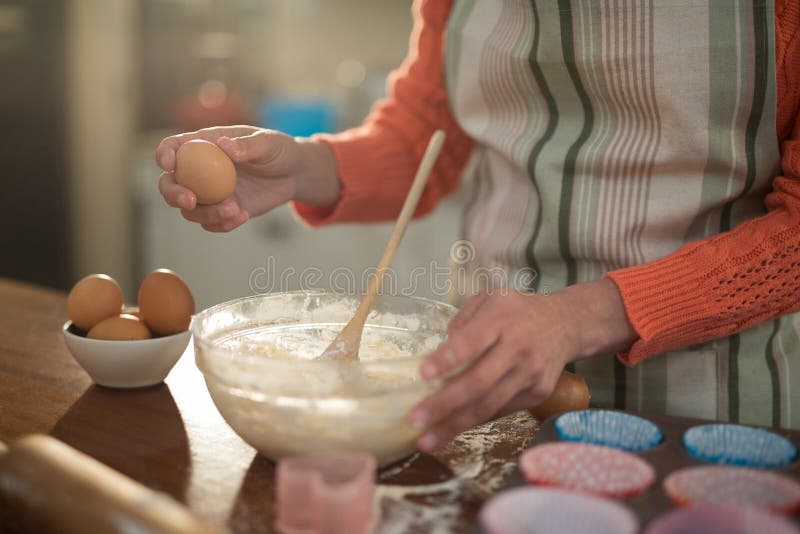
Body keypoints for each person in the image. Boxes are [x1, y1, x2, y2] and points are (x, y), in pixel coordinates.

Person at [157, 0, 800, 451]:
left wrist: (576, 317)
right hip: (489, 389)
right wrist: (300, 167)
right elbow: (424, 136)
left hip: (711, 408)